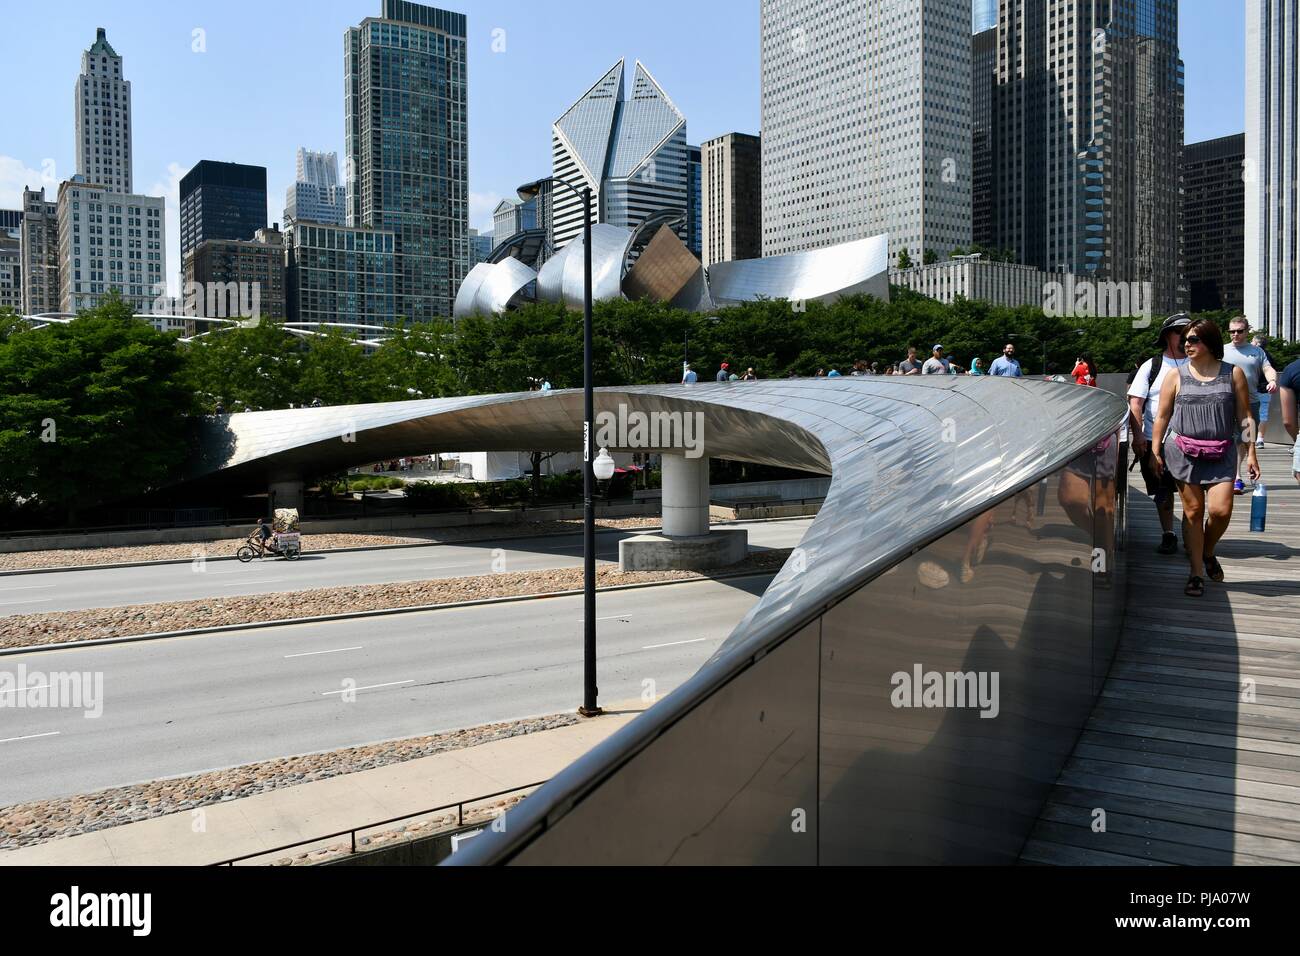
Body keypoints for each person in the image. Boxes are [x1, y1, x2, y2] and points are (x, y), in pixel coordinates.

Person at [1152, 319, 1260, 598]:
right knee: (1193, 512)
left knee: (1221, 510)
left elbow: (1245, 416)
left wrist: (1251, 452)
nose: (1186, 344)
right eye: (1185, 340)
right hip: (1183, 451)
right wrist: (1155, 450)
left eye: (1193, 340)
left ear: (1210, 343)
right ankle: (1196, 572)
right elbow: (1162, 416)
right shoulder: (1175, 376)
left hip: (1220, 451)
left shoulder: (1232, 373)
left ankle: (1208, 551)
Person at [1128, 313, 1191, 555]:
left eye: (1190, 332)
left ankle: (1191, 535)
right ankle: (1169, 533)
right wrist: (1138, 437)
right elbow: (1136, 403)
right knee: (1163, 491)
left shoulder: (1201, 363)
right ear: (1167, 336)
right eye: (1179, 332)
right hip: (1158, 440)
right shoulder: (1152, 366)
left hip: (1191, 440)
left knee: (1192, 491)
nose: (1186, 337)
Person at [1222, 317, 1277, 493]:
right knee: (1229, 438)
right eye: (1232, 331)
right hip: (1226, 401)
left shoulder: (1257, 351)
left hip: (1250, 402)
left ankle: (1236, 477)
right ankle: (1231, 476)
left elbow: (1267, 369)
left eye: (1239, 331)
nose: (1235, 334)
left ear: (1247, 332)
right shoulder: (1221, 351)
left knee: (1245, 438)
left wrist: (1273, 380)